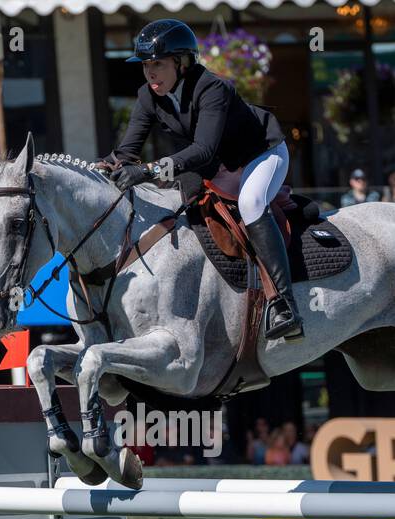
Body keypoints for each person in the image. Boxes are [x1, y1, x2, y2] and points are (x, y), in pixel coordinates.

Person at [94, 19, 303, 340]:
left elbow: (203, 150)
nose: (150, 73)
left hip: (261, 154)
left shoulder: (212, 88)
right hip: (218, 165)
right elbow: (127, 150)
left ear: (182, 62)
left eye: (158, 64)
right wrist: (101, 168)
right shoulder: (148, 96)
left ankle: (284, 303)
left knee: (250, 203)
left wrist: (148, 171)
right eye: (146, 65)